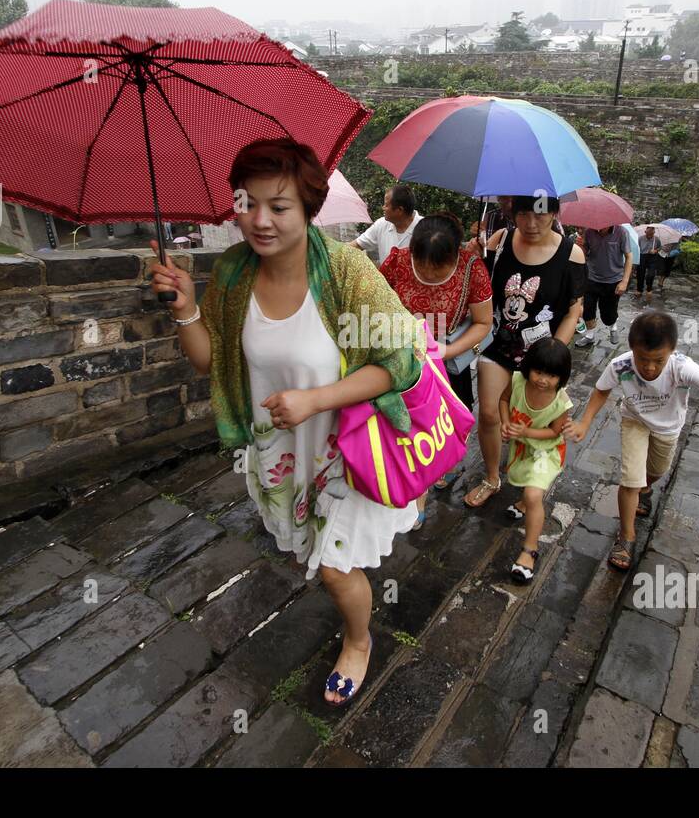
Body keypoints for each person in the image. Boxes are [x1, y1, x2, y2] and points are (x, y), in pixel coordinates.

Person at [150, 138, 423, 708]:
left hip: (348, 451)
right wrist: (185, 309)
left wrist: (316, 398)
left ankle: (357, 639)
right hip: (284, 452)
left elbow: (401, 362)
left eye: (279, 206)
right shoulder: (232, 273)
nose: (259, 220)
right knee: (313, 556)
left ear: (308, 207)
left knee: (334, 570)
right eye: (247, 203)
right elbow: (213, 362)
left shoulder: (346, 270)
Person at [568, 312, 699, 570]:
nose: (650, 367)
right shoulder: (620, 365)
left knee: (656, 472)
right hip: (635, 421)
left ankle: (646, 489)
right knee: (631, 479)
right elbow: (601, 390)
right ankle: (626, 537)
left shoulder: (682, 366)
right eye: (643, 359)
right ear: (632, 350)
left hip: (668, 427)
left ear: (672, 351)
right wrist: (584, 422)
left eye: (658, 360)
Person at [464, 194, 586, 508]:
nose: (532, 224)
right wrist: (473, 256)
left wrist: (556, 352)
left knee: (533, 422)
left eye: (541, 216)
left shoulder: (571, 253)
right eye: (523, 215)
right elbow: (478, 285)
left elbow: (574, 311)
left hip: (541, 355)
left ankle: (530, 477)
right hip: (498, 342)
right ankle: (492, 477)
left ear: (555, 213)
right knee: (490, 412)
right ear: (512, 213)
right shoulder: (500, 240)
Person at [378, 213, 494, 514]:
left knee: (449, 416)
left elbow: (483, 323)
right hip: (404, 356)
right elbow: (376, 302)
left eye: (438, 267)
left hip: (446, 357)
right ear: (413, 251)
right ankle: (412, 485)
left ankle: (444, 463)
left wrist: (448, 350)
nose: (428, 274)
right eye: (423, 264)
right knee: (406, 421)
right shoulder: (397, 261)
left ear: (456, 254)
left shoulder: (472, 269)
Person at [498, 337, 574, 584]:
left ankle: (529, 550)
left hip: (545, 450)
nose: (543, 380)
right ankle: (523, 503)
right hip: (522, 445)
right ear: (528, 366)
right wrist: (506, 422)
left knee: (533, 494)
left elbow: (554, 432)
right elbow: (503, 400)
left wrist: (525, 432)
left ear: (561, 378)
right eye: (538, 372)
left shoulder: (561, 402)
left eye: (551, 376)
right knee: (523, 482)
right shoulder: (518, 381)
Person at [575, 224, 633, 347]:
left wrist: (624, 281)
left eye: (603, 227)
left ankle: (613, 326)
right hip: (591, 277)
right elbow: (584, 253)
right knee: (588, 310)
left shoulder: (621, 232)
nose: (599, 229)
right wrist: (580, 246)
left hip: (613, 280)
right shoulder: (589, 231)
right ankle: (589, 336)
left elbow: (629, 256)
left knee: (608, 314)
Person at [353, 184, 422, 265]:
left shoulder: (426, 230)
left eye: (386, 205)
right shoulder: (381, 225)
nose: (383, 208)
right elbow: (357, 244)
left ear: (399, 210)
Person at [636, 225, 661, 301]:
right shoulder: (640, 238)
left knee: (651, 274)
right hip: (642, 256)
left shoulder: (656, 239)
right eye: (648, 234)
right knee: (640, 274)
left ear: (654, 233)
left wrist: (655, 251)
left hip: (652, 257)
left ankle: (649, 289)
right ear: (645, 232)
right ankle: (639, 289)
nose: (649, 236)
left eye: (651, 234)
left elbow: (660, 247)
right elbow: (637, 248)